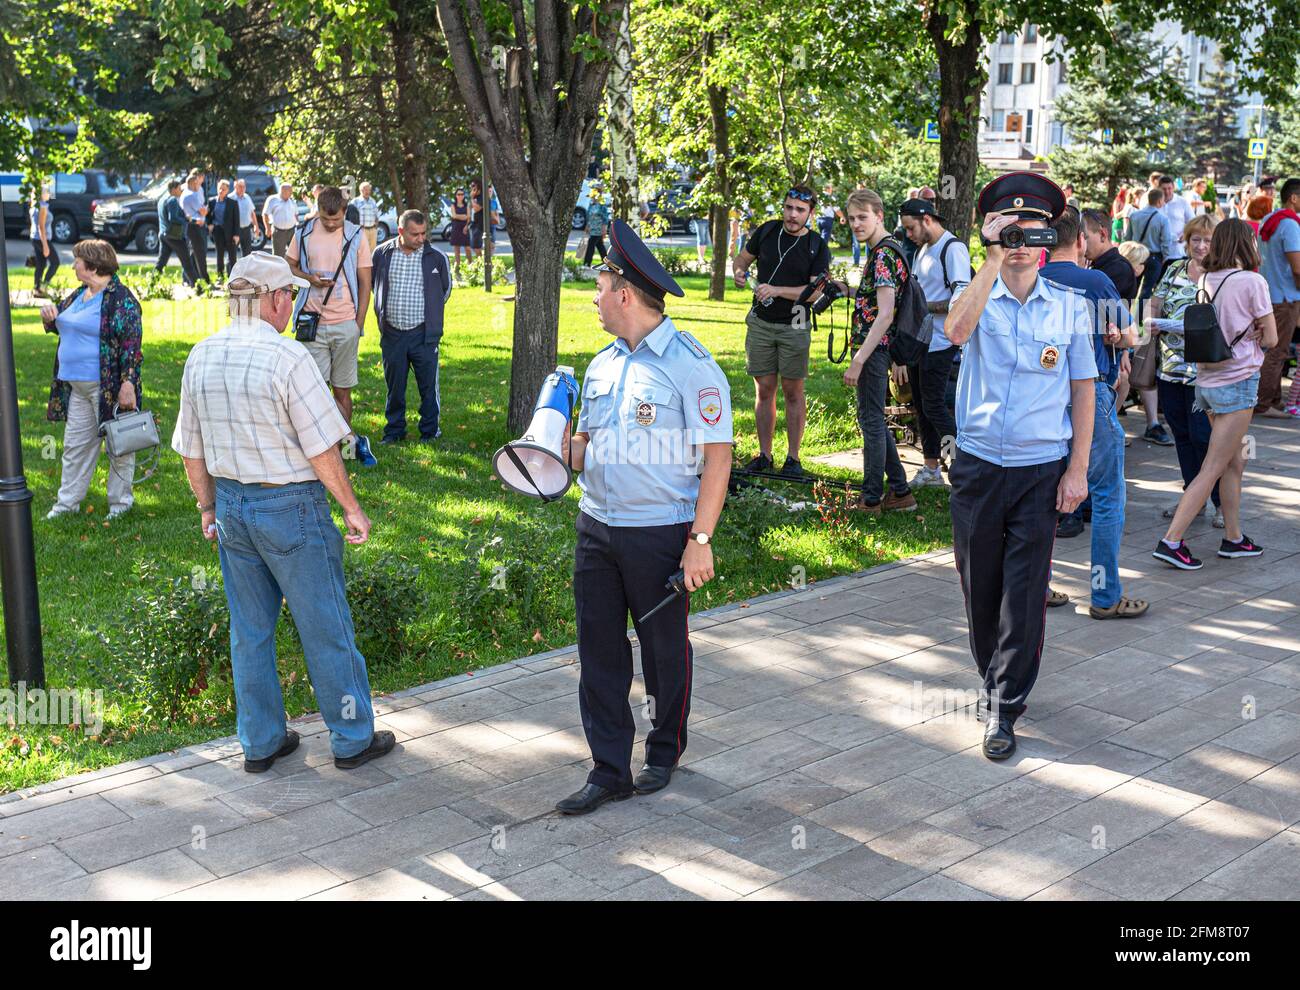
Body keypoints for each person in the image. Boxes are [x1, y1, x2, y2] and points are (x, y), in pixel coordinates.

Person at [171, 252, 394, 774]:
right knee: (325, 625)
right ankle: (351, 736)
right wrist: (352, 509)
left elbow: (191, 449)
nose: (293, 304)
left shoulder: (200, 355)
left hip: (231, 505)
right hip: (291, 506)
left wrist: (207, 506)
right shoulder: (289, 358)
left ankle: (261, 742)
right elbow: (322, 447)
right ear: (273, 300)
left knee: (249, 630)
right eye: (290, 295)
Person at [555, 219, 733, 815]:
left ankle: (662, 751)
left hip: (660, 532)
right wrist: (552, 449)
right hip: (596, 527)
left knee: (662, 650)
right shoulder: (600, 365)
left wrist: (700, 540)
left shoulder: (692, 366)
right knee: (599, 650)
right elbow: (583, 445)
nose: (595, 299)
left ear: (625, 294)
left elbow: (717, 458)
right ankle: (608, 768)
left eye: (600, 287)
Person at [943, 172, 1096, 760]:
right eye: (1012, 233)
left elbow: (1083, 389)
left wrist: (1077, 469)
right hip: (980, 468)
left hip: (1040, 469)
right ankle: (993, 676)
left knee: (1025, 593)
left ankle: (1005, 706)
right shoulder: (978, 295)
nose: (1023, 245)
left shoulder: (1070, 306)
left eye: (1033, 234)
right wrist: (988, 256)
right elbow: (956, 331)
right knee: (979, 585)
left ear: (1048, 241)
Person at [1041, 208, 1147, 620]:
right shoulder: (1095, 280)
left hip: (1044, 397)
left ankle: (1038, 584)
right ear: (1081, 242)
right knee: (1106, 495)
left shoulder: (1033, 279)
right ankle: (1104, 595)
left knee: (1043, 494)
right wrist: (1118, 337)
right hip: (1093, 395)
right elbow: (1131, 334)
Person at [1153, 219, 1277, 570]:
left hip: (1206, 381)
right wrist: (1256, 330)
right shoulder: (1253, 281)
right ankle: (1172, 540)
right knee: (1213, 466)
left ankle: (1234, 538)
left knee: (1235, 461)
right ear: (1247, 243)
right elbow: (1271, 339)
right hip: (1237, 384)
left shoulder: (1207, 278)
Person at [731, 184, 830, 478]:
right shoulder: (767, 231)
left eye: (800, 210)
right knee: (764, 390)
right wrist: (738, 272)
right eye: (788, 207)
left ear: (811, 213)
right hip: (761, 322)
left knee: (793, 391)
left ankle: (793, 459)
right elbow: (741, 260)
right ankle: (764, 455)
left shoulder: (816, 245)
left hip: (796, 323)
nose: (792, 215)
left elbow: (814, 293)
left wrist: (777, 290)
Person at [40, 240, 142, 521]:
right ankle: (66, 505)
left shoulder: (121, 300)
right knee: (75, 448)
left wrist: (128, 383)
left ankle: (120, 505)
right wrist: (50, 318)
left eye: (77, 261)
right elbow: (61, 321)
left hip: (107, 387)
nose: (73, 265)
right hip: (77, 387)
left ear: (93, 266)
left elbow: (132, 347)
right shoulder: (79, 294)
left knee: (119, 447)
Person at [839, 189, 918, 513]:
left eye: (863, 217)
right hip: (877, 349)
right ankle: (900, 491)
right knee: (874, 419)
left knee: (870, 420)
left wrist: (858, 361)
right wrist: (850, 292)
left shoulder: (883, 254)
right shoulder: (887, 250)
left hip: (873, 350)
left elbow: (886, 314)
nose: (856, 224)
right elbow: (880, 301)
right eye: (852, 218)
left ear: (879, 216)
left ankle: (871, 498)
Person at [287, 186, 377, 468]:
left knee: (342, 390)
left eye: (335, 219)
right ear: (318, 209)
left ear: (343, 211)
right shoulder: (302, 232)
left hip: (344, 324)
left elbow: (365, 283)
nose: (331, 224)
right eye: (326, 220)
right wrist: (308, 277)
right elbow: (288, 265)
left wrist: (358, 323)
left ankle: (345, 447)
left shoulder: (355, 234)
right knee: (313, 391)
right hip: (311, 323)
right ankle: (321, 445)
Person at [1147, 213, 1223, 528]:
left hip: (1204, 373)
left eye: (1207, 240)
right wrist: (1150, 320)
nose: (1201, 245)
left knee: (1204, 437)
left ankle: (1220, 502)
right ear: (1187, 239)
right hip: (1170, 368)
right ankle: (1192, 496)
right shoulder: (1175, 268)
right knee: (1181, 436)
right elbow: (1155, 302)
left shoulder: (1221, 275)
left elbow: (1219, 320)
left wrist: (1176, 325)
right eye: (1196, 239)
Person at [897, 196, 971, 488]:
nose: (908, 235)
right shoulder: (922, 249)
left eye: (911, 228)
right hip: (919, 342)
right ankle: (931, 469)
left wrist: (924, 307)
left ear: (927, 219)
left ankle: (961, 462)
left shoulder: (953, 249)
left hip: (941, 343)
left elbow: (961, 299)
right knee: (922, 406)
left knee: (936, 407)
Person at [371, 210, 450, 444]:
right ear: (401, 230)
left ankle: (429, 431)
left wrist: (429, 314)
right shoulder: (382, 253)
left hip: (424, 334)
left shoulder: (436, 257)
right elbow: (375, 286)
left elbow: (445, 291)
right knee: (394, 387)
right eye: (415, 234)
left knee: (428, 387)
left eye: (424, 233)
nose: (421, 238)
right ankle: (394, 431)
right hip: (392, 333)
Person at [1254, 177, 1300, 417]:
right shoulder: (1290, 224)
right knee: (1277, 351)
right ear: (1294, 198)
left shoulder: (1269, 218)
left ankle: (1273, 398)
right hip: (1285, 297)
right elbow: (1298, 267)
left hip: (1269, 292)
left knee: (1272, 349)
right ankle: (1263, 404)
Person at [1127, 187, 1173, 301]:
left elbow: (1127, 237)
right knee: (1147, 290)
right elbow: (1166, 241)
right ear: (1159, 201)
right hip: (1154, 256)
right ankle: (1140, 317)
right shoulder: (1163, 219)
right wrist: (1165, 256)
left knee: (1131, 288)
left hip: (1136, 255)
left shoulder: (1134, 215)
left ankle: (1124, 316)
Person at [156, 179, 200, 286]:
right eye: (179, 189)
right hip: (174, 236)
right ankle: (198, 289)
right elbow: (173, 218)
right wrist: (187, 219)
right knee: (187, 263)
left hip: (163, 235)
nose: (181, 191)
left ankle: (151, 284)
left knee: (161, 263)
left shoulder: (162, 199)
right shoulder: (172, 200)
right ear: (174, 189)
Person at [206, 179, 240, 283]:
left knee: (232, 256)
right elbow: (208, 215)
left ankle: (233, 278)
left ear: (227, 190)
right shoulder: (212, 202)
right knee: (219, 255)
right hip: (217, 231)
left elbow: (236, 219)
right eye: (219, 188)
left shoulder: (232, 203)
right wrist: (210, 224)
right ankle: (220, 277)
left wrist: (236, 234)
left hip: (230, 232)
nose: (221, 191)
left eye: (223, 189)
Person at [181, 169, 210, 283]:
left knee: (196, 253)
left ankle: (194, 278)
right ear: (194, 183)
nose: (200, 184)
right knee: (200, 254)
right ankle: (203, 280)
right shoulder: (191, 195)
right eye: (198, 182)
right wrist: (206, 210)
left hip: (195, 225)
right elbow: (203, 211)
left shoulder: (191, 193)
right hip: (195, 226)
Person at [1159, 175, 1194, 262]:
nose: (1167, 192)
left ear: (1173, 187)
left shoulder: (1182, 202)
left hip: (1177, 250)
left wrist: (1185, 234)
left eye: (1169, 188)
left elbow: (1192, 221)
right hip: (1158, 251)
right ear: (1159, 188)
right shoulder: (1155, 203)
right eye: (1164, 189)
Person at [263, 183, 299, 257]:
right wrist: (267, 228)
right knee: (278, 256)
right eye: (290, 191)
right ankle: (277, 269)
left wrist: (297, 224)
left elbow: (296, 214)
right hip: (279, 232)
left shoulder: (292, 200)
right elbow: (265, 214)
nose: (292, 193)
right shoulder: (273, 199)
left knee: (294, 255)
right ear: (283, 191)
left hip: (291, 231)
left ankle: (290, 268)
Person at [231, 177, 260, 258]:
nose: (242, 188)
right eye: (240, 186)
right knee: (232, 253)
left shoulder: (247, 197)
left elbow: (252, 212)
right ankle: (230, 270)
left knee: (247, 253)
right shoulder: (230, 198)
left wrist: (256, 226)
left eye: (244, 186)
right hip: (235, 230)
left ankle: (245, 270)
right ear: (235, 187)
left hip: (246, 229)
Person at [581, 184, 610, 266]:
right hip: (592, 228)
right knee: (600, 246)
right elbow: (589, 215)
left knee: (591, 244)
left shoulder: (601, 204)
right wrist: (587, 225)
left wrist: (604, 229)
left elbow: (605, 218)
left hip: (598, 229)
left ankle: (586, 263)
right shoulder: (591, 203)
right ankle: (608, 264)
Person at [351, 181, 381, 253]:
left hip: (372, 229)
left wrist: (375, 226)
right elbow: (351, 217)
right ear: (361, 190)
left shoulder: (372, 201)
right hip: (362, 230)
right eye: (366, 190)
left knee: (372, 251)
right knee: (362, 251)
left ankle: (371, 264)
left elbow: (376, 214)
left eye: (369, 190)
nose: (368, 192)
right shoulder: (355, 201)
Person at [447, 188, 473, 269]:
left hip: (465, 228)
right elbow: (454, 216)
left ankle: (471, 264)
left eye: (462, 194)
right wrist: (463, 216)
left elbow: (468, 217)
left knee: (468, 248)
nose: (460, 196)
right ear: (456, 196)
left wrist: (466, 225)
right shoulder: (453, 205)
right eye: (458, 194)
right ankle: (457, 265)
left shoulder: (467, 205)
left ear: (464, 195)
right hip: (456, 228)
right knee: (456, 248)